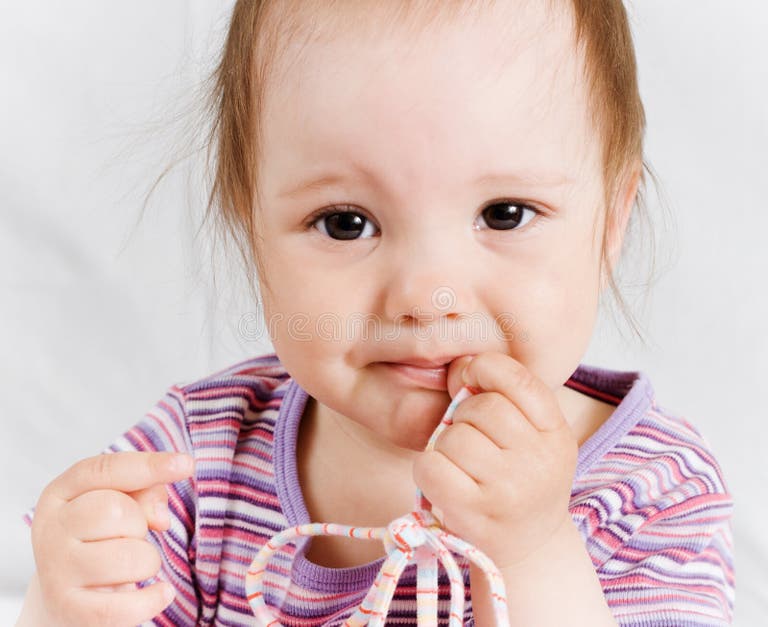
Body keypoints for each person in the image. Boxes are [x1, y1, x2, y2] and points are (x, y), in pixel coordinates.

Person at [16, 1, 735, 625]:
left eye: (504, 213)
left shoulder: (653, 492)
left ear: (610, 223)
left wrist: (533, 550)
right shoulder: (198, 463)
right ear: (252, 228)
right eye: (345, 222)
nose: (425, 297)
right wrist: (65, 604)